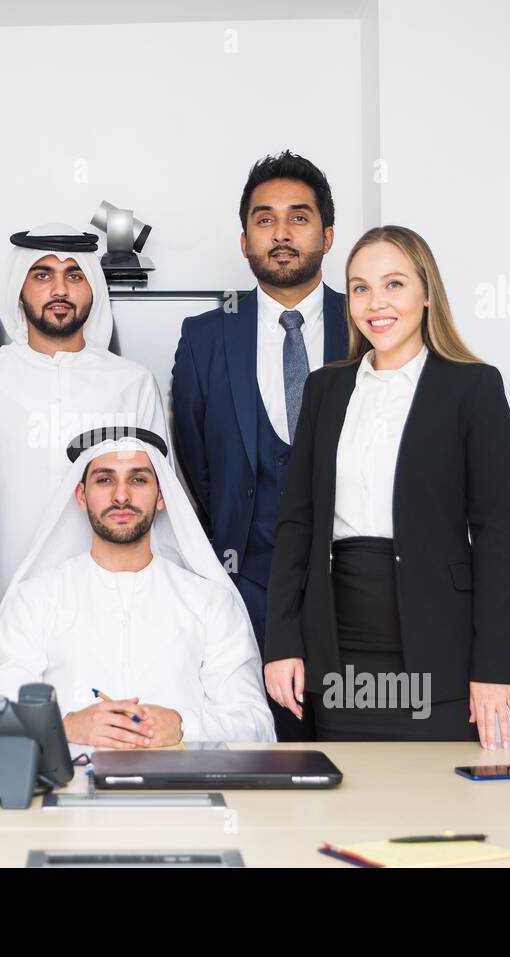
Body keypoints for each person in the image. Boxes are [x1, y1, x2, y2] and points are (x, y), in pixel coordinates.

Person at [264, 225, 510, 748]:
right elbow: (297, 523)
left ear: (427, 293)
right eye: (360, 287)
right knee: (349, 810)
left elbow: (497, 535)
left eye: (394, 284)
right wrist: (281, 642)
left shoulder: (472, 387)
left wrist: (495, 665)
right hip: (339, 646)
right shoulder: (325, 389)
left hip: (438, 649)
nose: (375, 303)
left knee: (438, 818)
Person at [170, 151, 347, 741]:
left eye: (299, 218)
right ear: (244, 239)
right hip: (243, 587)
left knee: (362, 758)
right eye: (264, 219)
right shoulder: (203, 336)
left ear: (326, 235)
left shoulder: (369, 325)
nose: (281, 232)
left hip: (356, 586)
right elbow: (193, 464)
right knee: (260, 756)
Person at [0, 427, 275, 749]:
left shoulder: (210, 602)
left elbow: (257, 726)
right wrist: (66, 726)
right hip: (69, 787)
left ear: (161, 496)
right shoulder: (34, 601)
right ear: (81, 496)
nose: (121, 496)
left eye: (138, 480)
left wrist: (183, 726)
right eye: (105, 480)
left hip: (181, 791)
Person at [0, 224, 168, 630]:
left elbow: (159, 501)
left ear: (92, 287)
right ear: (19, 288)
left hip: (111, 605)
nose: (60, 290)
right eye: (42, 275)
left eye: (74, 275)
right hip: (5, 601)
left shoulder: (132, 381)